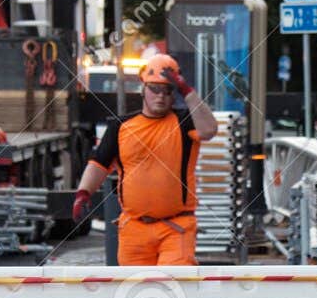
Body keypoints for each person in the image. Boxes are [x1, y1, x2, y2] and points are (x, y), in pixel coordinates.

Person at [71, 54, 217, 265]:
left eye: (168, 91)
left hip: (176, 227)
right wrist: (83, 194)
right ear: (143, 89)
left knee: (173, 286)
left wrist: (187, 91)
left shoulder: (184, 122)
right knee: (136, 292)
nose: (161, 96)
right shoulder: (120, 127)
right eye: (154, 89)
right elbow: (98, 164)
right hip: (134, 228)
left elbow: (209, 130)